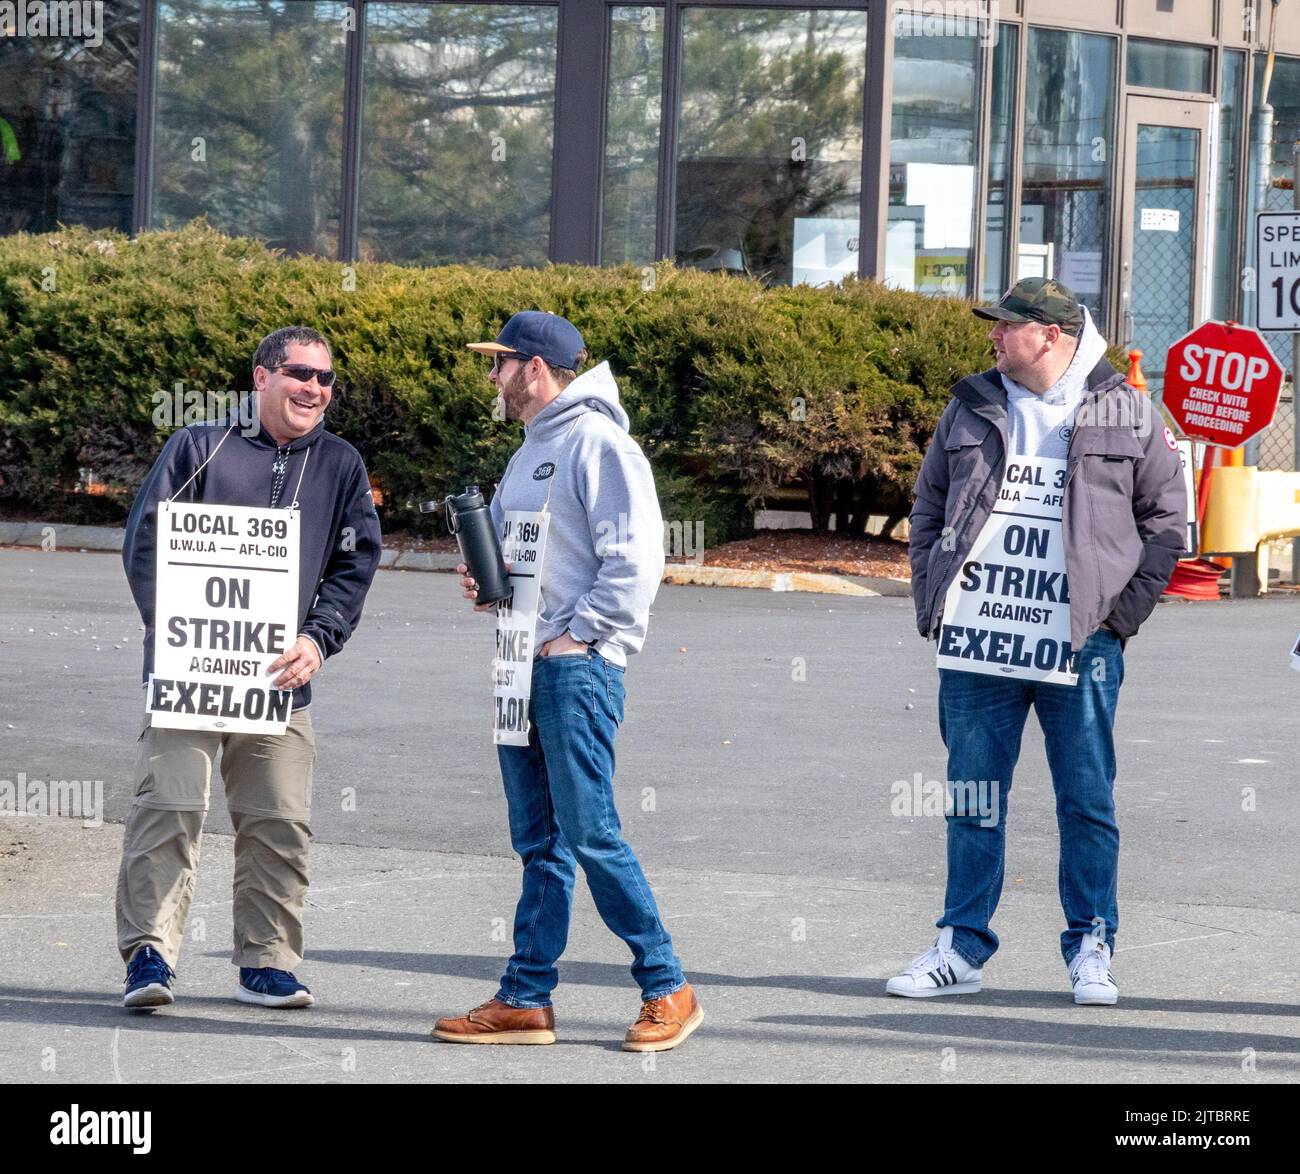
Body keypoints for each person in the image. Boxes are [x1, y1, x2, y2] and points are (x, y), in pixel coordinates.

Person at [892, 278, 1186, 1006]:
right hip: (980, 640)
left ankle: (1091, 945)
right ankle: (961, 949)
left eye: (1005, 326)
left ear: (1050, 335)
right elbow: (928, 508)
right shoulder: (970, 404)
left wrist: (1117, 619)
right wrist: (936, 595)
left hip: (1080, 644)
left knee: (1086, 799)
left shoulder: (1126, 408)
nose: (992, 336)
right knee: (972, 796)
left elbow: (1167, 521)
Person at [432, 311, 702, 1052]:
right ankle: (525, 997)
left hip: (574, 669)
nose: (493, 378)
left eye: (501, 364)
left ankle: (668, 985)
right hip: (518, 661)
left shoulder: (600, 443)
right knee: (540, 841)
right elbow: (531, 557)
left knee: (589, 832)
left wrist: (574, 637)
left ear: (537, 368)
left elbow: (636, 562)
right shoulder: (528, 451)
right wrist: (486, 581)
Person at [117, 326, 381, 1010]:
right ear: (260, 377)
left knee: (279, 821)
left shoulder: (341, 464)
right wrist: (181, 635)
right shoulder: (200, 446)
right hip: (191, 672)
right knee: (169, 809)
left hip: (282, 681)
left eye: (326, 380)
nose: (314, 389)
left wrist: (320, 639)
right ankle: (149, 956)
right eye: (300, 373)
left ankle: (266, 962)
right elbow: (146, 542)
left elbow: (355, 564)